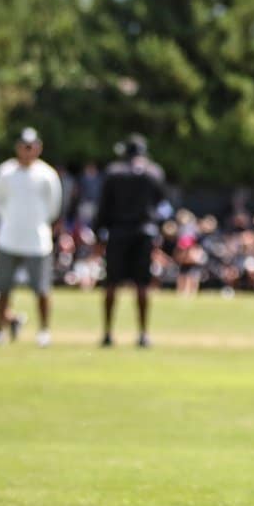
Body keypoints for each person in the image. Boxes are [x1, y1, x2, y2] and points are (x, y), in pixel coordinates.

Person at [96, 134, 168, 348]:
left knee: (111, 284)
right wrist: (160, 231)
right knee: (143, 285)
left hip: (118, 233)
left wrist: (99, 232)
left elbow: (103, 207)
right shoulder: (153, 172)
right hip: (144, 233)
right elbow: (163, 206)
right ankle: (143, 333)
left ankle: (108, 333)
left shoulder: (114, 172)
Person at [0, 128, 63, 347]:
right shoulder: (5, 171)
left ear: (38, 147)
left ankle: (43, 331)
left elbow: (54, 207)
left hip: (37, 240)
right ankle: (1, 329)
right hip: (9, 238)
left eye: (31, 146)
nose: (27, 150)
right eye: (24, 146)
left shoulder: (47, 174)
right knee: (3, 288)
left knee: (42, 289)